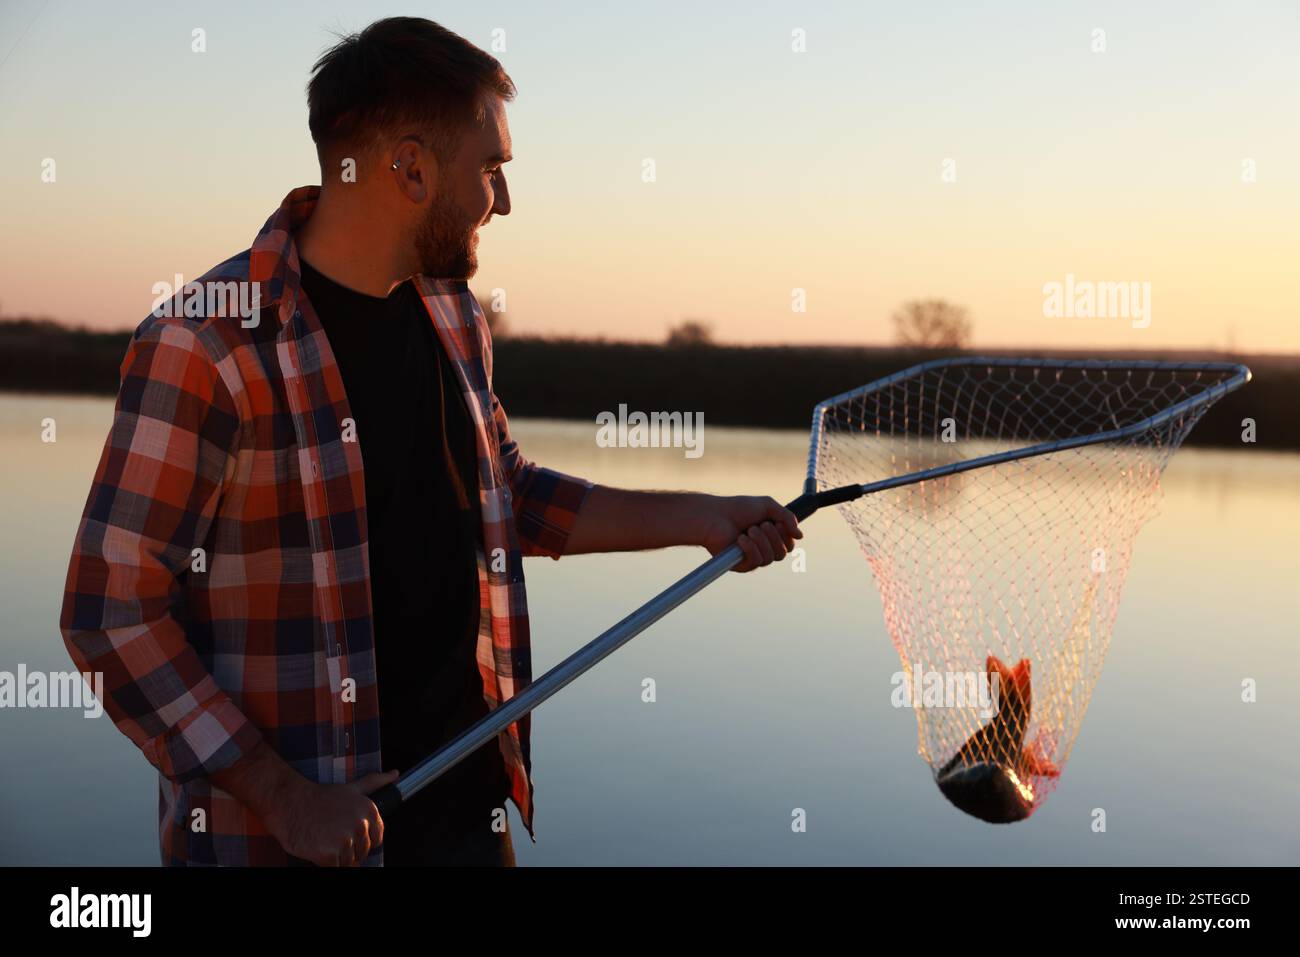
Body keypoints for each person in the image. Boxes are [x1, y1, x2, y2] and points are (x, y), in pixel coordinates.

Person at [59, 17, 800, 867]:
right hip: (288, 845)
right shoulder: (205, 342)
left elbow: (508, 493)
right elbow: (109, 610)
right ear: (410, 167)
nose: (506, 200)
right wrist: (284, 795)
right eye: (491, 170)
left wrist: (707, 516)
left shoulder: (453, 315)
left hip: (470, 817)